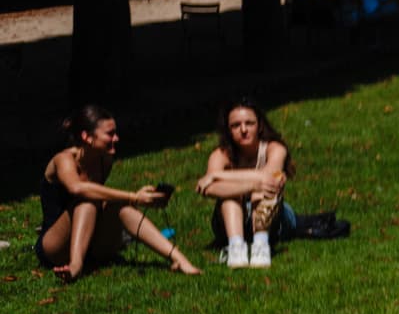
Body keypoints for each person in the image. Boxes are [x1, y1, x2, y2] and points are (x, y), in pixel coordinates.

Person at [38, 105, 200, 280]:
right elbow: (77, 188)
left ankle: (179, 259)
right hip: (55, 246)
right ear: (87, 137)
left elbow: (103, 198)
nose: (116, 138)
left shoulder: (104, 159)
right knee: (87, 201)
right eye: (110, 134)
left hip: (91, 241)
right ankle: (76, 266)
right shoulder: (64, 159)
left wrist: (146, 200)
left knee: (119, 205)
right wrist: (134, 197)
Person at [196, 101, 295, 269]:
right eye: (236, 125)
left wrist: (216, 175)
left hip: (274, 220)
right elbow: (208, 188)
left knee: (264, 189)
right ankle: (236, 248)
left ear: (260, 125)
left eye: (249, 123)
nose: (243, 130)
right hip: (230, 223)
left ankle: (261, 246)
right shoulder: (220, 155)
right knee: (231, 195)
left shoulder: (274, 148)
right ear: (228, 130)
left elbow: (269, 177)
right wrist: (250, 185)